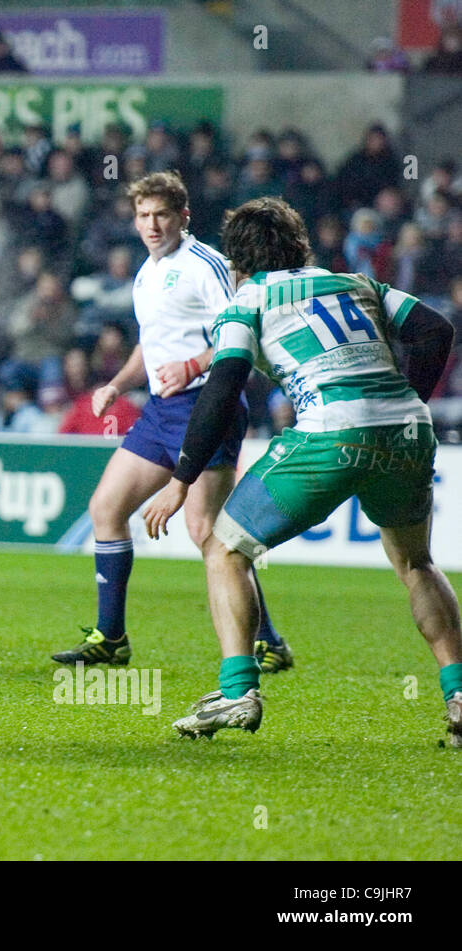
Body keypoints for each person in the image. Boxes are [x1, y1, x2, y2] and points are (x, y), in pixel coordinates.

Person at [144, 197, 462, 743]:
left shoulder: (247, 301)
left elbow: (223, 387)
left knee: (225, 548)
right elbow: (437, 331)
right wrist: (406, 400)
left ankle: (237, 692)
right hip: (409, 431)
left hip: (331, 432)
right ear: (299, 244)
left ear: (237, 259)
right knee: (416, 563)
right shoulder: (357, 283)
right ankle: (459, 694)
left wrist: (182, 479)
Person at [51, 171, 292, 671]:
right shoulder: (147, 272)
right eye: (143, 215)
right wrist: (117, 385)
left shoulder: (207, 265)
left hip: (208, 406)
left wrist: (192, 365)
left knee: (207, 532)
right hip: (161, 411)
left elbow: (241, 333)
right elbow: (151, 344)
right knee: (106, 508)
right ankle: (111, 637)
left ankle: (268, 641)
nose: (152, 224)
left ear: (184, 216)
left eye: (162, 214)